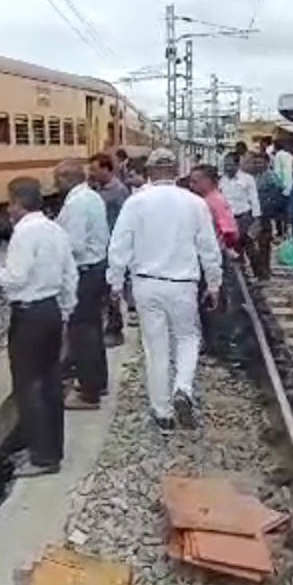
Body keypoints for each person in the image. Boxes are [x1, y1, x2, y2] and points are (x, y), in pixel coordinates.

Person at [108, 149, 221, 432]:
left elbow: (119, 245)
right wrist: (214, 283)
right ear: (176, 170)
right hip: (183, 285)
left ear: (149, 171)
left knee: (155, 348)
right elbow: (208, 248)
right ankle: (183, 388)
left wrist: (115, 283)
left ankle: (162, 412)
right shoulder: (195, 203)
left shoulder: (136, 202)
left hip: (146, 284)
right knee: (188, 338)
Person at [0, 177, 78, 477]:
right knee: (50, 383)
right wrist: (65, 312)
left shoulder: (24, 233)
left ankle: (42, 458)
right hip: (50, 310)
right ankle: (50, 449)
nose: (8, 210)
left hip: (29, 314)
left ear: (18, 203)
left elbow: (16, 278)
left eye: (10, 203)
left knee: (29, 386)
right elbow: (70, 275)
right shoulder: (55, 229)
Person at [53, 159, 110, 410]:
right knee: (93, 329)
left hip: (84, 272)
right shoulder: (91, 197)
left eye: (57, 179)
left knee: (82, 332)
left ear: (67, 178)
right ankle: (98, 381)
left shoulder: (76, 203)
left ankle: (89, 393)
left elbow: (74, 244)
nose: (55, 184)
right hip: (95, 268)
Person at [188, 164, 240, 359]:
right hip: (208, 256)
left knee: (214, 301)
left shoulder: (214, 201)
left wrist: (223, 247)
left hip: (215, 257)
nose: (191, 185)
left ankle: (218, 343)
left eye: (195, 181)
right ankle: (212, 342)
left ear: (208, 181)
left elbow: (230, 231)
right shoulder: (205, 201)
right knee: (208, 300)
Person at [88, 153, 131, 347]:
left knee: (111, 289)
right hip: (101, 246)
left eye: (95, 169)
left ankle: (115, 329)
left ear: (107, 169)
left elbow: (125, 219)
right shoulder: (98, 189)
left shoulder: (119, 191)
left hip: (112, 247)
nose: (91, 173)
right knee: (103, 290)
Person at [219, 152, 262, 262]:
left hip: (244, 217)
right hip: (228, 219)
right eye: (226, 165)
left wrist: (256, 219)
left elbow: (254, 199)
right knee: (234, 248)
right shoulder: (221, 180)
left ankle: (259, 270)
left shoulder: (247, 179)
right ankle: (240, 269)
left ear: (237, 165)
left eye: (230, 165)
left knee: (249, 246)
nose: (228, 168)